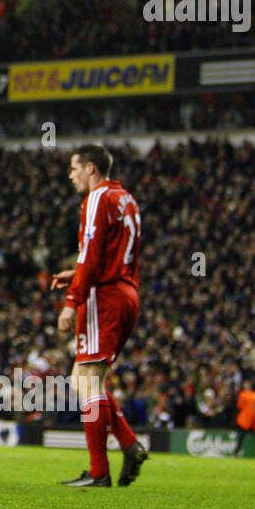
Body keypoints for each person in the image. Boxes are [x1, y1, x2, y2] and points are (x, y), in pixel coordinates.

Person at [50, 144, 149, 488]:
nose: (70, 175)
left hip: (103, 296)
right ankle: (129, 444)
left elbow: (92, 255)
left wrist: (72, 300)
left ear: (90, 167)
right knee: (83, 379)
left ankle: (98, 471)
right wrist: (73, 273)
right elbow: (107, 253)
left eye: (74, 168)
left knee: (88, 380)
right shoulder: (127, 199)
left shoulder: (97, 198)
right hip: (126, 293)